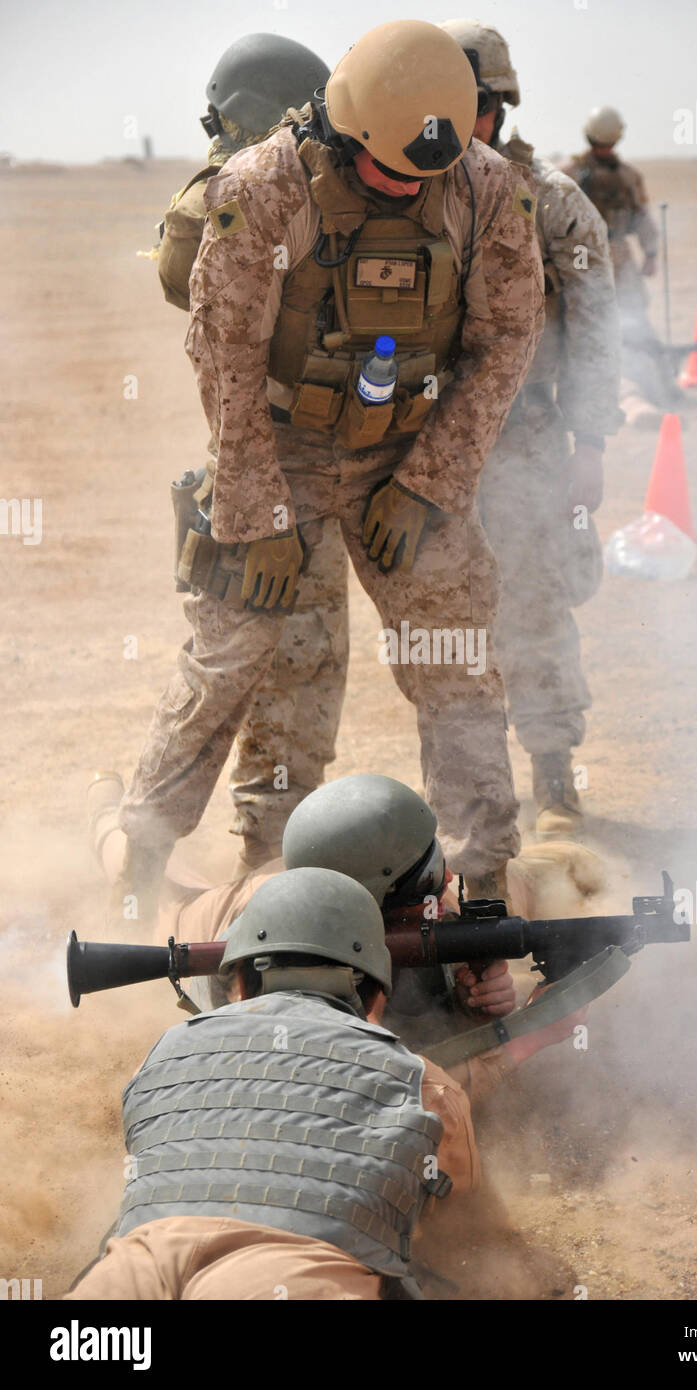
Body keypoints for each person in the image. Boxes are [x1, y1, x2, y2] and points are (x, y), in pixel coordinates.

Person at [115, 19, 545, 922]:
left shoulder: (484, 188)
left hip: (412, 446)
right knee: (230, 657)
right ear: (344, 127)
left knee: (454, 660)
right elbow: (224, 356)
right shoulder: (263, 187)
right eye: (388, 170)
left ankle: (481, 884)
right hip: (280, 449)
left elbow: (506, 341)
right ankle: (143, 866)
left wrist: (430, 480)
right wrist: (257, 515)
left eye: (426, 173)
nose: (406, 186)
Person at [66, 865, 588, 1300]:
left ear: (237, 984)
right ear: (376, 998)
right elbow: (465, 1225)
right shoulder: (420, 1080)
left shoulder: (161, 1055)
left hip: (133, 1263)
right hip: (288, 1277)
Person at [153, 35, 354, 876]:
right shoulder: (221, 200)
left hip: (319, 473)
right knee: (222, 675)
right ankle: (139, 848)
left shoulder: (322, 192)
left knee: (305, 670)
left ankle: (272, 856)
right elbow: (187, 269)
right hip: (245, 477)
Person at [439, 21, 622, 841]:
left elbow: (594, 326)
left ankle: (554, 783)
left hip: (529, 442)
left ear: (495, 106)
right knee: (442, 628)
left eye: (462, 105)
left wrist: (590, 445)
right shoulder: (408, 191)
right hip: (430, 448)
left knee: (537, 610)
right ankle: (465, 803)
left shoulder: (551, 200)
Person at [89, 770, 517, 1037]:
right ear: (373, 895)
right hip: (226, 909)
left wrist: (470, 1002)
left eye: (436, 859)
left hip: (312, 877)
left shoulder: (404, 892)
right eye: (427, 876)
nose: (444, 881)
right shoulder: (261, 947)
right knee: (168, 887)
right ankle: (104, 811)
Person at [562, 107, 677, 425]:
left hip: (601, 255)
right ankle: (608, 389)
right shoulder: (574, 174)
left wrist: (651, 253)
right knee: (595, 323)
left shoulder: (614, 175)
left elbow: (641, 216)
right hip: (587, 255)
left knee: (633, 319)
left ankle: (655, 384)